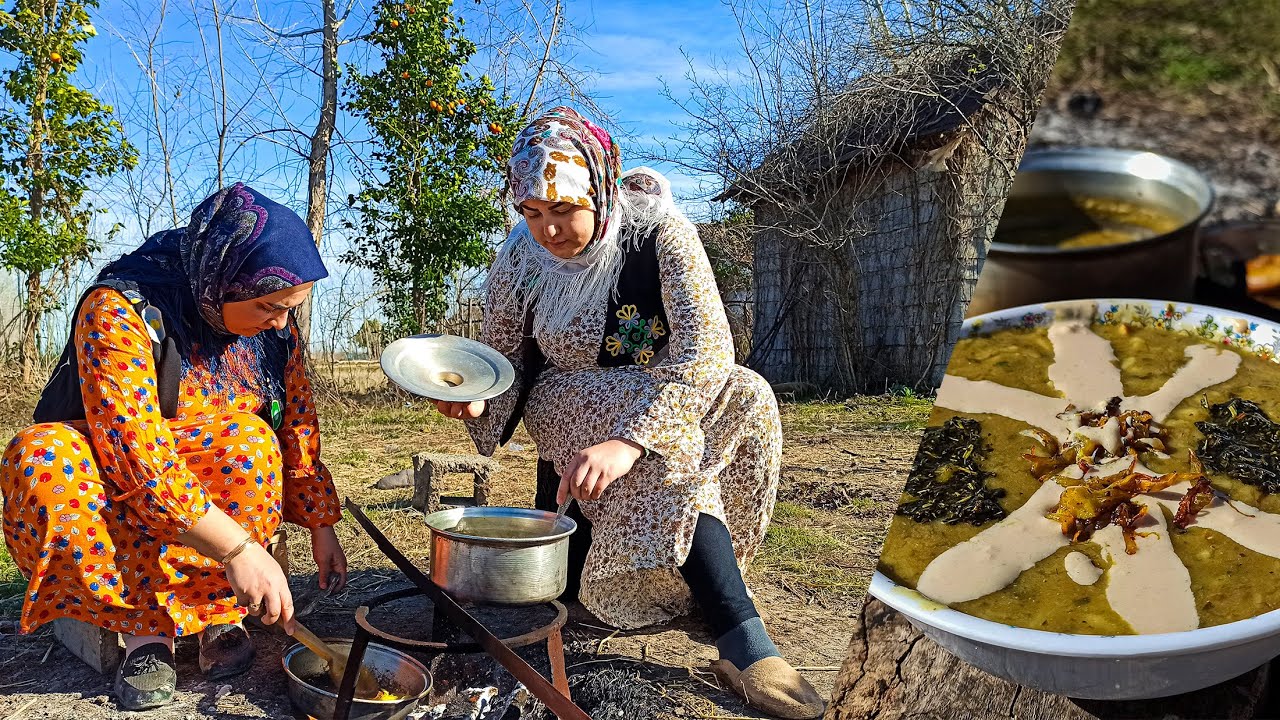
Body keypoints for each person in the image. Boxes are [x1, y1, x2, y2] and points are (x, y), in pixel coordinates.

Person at [435, 107, 825, 719]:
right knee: (665, 448)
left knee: (749, 394)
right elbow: (501, 356)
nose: (548, 232)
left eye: (563, 212)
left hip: (665, 385)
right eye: (532, 214)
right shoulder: (519, 259)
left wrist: (631, 442)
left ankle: (696, 583)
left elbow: (707, 347)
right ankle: (739, 633)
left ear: (600, 187)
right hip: (567, 393)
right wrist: (475, 401)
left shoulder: (659, 234)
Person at [1, 184, 347, 711]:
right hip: (112, 461)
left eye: (289, 309)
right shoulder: (119, 308)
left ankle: (215, 612)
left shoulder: (274, 329)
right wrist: (238, 548)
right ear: (220, 280)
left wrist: (322, 526)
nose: (280, 322)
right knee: (43, 459)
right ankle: (145, 632)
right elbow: (136, 455)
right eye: (268, 307)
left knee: (251, 441)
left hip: (196, 469)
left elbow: (296, 424)